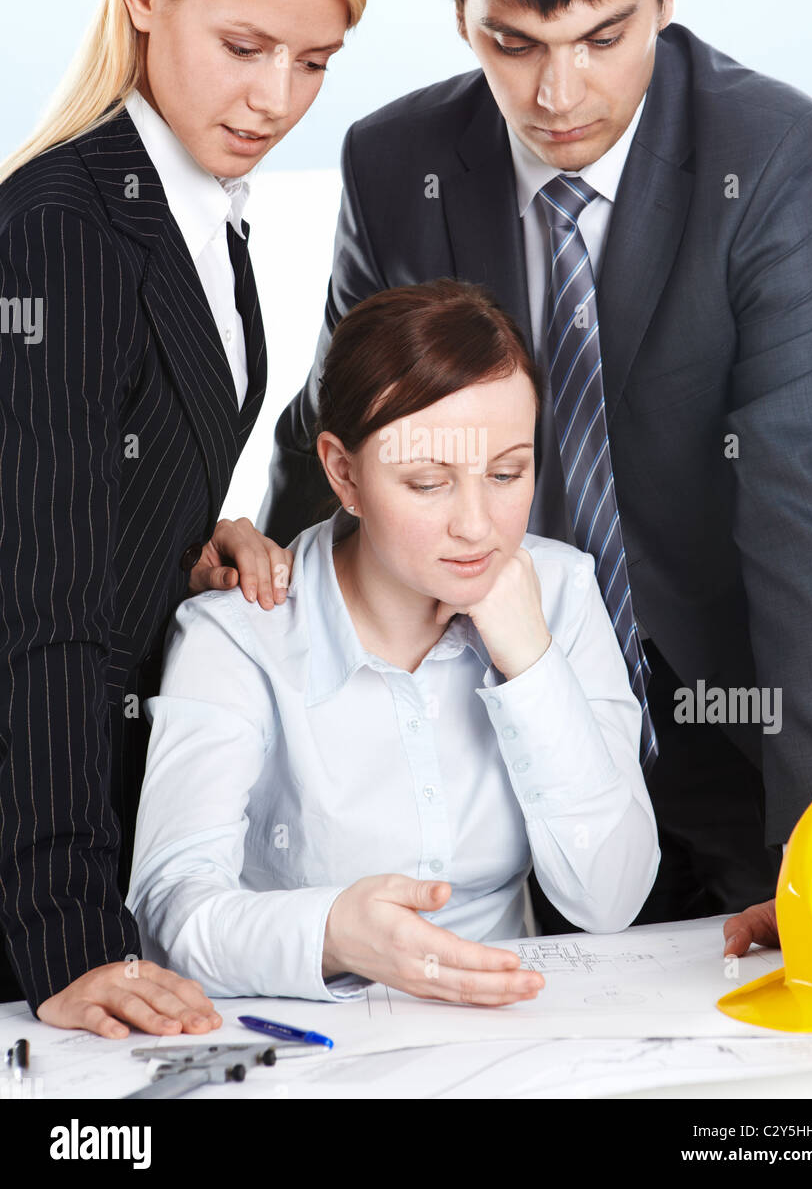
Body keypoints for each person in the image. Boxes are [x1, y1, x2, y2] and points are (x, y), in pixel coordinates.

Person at [257, 0, 812, 947]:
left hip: (731, 725)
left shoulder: (779, 158)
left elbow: (809, 513)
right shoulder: (397, 165)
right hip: (477, 715)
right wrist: (252, 580)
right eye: (515, 44)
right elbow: (335, 429)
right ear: (460, 20)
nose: (557, 93)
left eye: (601, 36)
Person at [0, 0, 369, 1035]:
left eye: (314, 61)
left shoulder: (198, 200)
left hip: (111, 793)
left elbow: (90, 469)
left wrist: (181, 533)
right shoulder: (64, 224)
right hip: (38, 854)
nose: (276, 98)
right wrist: (65, 932)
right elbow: (38, 603)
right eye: (246, 45)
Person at [126, 280, 660, 1004]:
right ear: (344, 472)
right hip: (307, 1042)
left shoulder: (559, 591)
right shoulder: (240, 635)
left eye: (507, 472)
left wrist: (531, 661)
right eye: (427, 483)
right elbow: (171, 913)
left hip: (513, 1035)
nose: (477, 525)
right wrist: (335, 935)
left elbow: (612, 897)